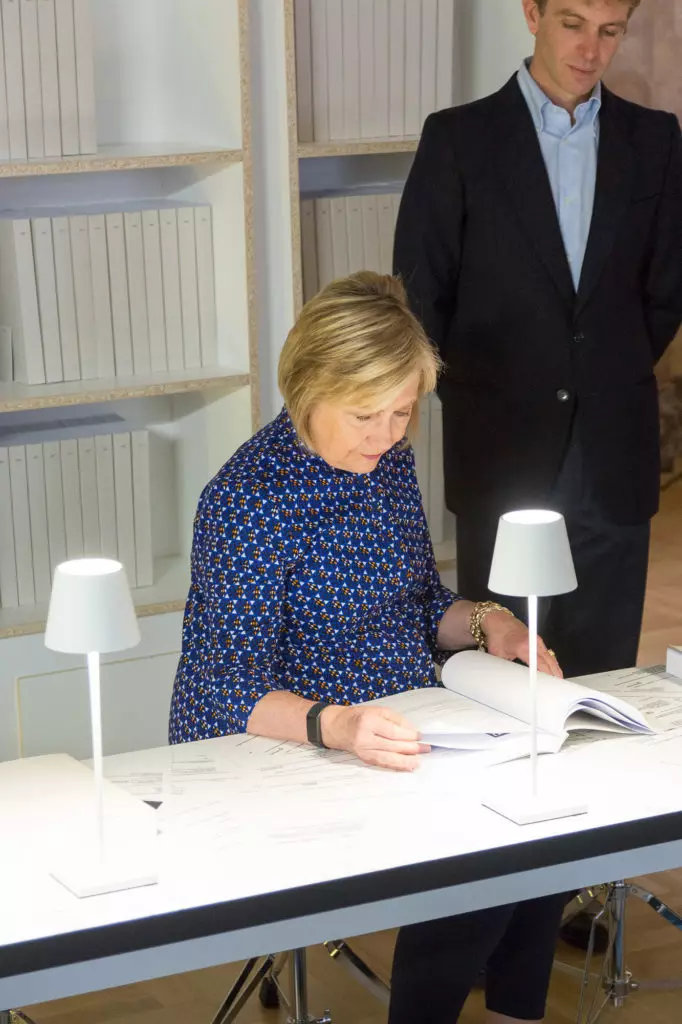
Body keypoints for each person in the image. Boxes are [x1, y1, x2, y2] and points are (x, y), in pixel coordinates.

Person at [170, 272, 569, 1023]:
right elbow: (221, 690)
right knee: (480, 857)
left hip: (406, 725)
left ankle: (518, 1014)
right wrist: (339, 723)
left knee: (548, 828)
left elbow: (419, 605)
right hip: (292, 747)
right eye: (365, 415)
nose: (388, 435)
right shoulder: (247, 499)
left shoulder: (384, 464)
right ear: (305, 390)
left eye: (402, 412)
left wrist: (493, 625)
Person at [394, 0, 682, 684]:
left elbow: (668, 286)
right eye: (572, 24)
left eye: (610, 31)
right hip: (500, 444)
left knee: (602, 671)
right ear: (532, 13)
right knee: (503, 665)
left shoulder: (655, 139)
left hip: (612, 448)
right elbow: (419, 294)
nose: (591, 48)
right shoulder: (459, 138)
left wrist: (600, 371)